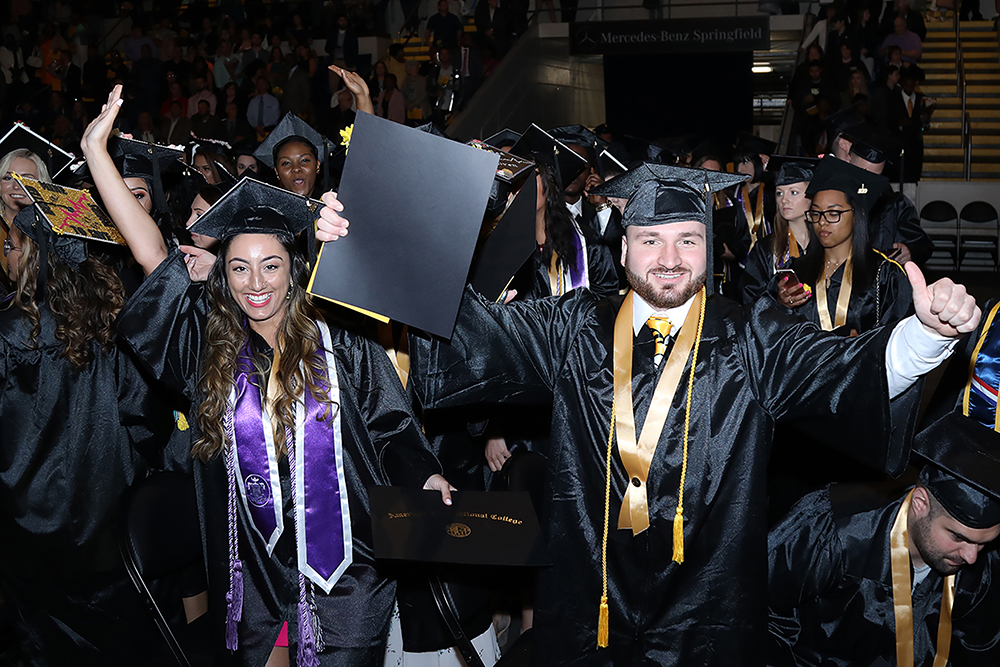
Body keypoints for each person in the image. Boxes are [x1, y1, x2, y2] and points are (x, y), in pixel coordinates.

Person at [317, 162, 980, 665]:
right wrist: (366, 243)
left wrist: (924, 337)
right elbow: (475, 331)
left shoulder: (753, 335)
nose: (669, 258)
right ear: (625, 248)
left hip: (709, 604)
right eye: (652, 239)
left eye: (688, 239)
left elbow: (842, 373)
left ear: (707, 249)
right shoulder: (575, 328)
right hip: (592, 593)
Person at [110, 171, 455, 666]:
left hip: (347, 563)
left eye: (270, 266)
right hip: (252, 565)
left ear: (293, 268)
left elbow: (390, 425)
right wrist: (96, 154)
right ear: (222, 276)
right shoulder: (209, 352)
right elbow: (150, 255)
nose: (256, 284)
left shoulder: (342, 339)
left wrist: (424, 475)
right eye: (239, 269)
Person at [0, 199, 173, 665]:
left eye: (12, 246)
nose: (7, 256)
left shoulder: (8, 334)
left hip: (30, 526)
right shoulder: (112, 325)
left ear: (34, 255)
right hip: (109, 518)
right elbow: (145, 418)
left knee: (47, 642)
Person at [768, 411, 1000, 666]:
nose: (971, 556)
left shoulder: (982, 569)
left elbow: (979, 650)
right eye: (958, 537)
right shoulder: (834, 529)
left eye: (984, 543)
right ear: (920, 503)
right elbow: (757, 613)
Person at [777, 156, 912, 335]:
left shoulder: (884, 274)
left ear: (857, 215)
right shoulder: (797, 270)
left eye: (833, 213)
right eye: (816, 213)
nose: (822, 222)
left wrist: (862, 345)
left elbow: (901, 338)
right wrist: (780, 306)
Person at [740, 156, 817, 305]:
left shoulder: (827, 243)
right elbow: (750, 300)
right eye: (779, 193)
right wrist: (778, 302)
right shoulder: (765, 250)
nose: (784, 200)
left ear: (812, 196)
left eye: (793, 192)